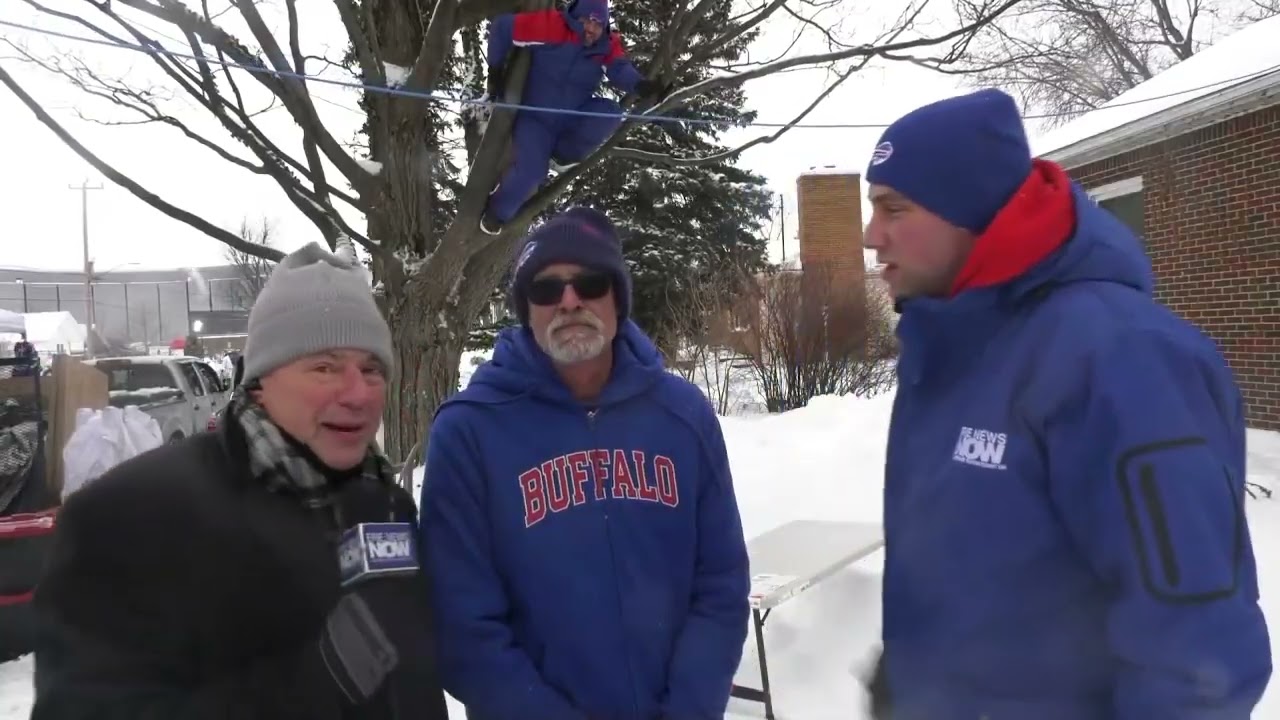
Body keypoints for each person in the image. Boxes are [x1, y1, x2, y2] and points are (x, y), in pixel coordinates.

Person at [861, 87, 1272, 719]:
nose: (870, 235)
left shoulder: (1121, 357)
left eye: (894, 208)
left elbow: (1195, 646)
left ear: (971, 211)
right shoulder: (949, 348)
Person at [29, 243, 449, 720]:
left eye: (371, 369)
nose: (358, 392)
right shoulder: (128, 519)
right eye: (325, 367)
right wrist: (327, 674)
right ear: (260, 382)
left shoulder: (386, 505)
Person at [422, 206, 750, 718]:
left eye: (590, 283)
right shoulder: (468, 432)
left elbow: (721, 585)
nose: (569, 301)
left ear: (617, 297)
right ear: (526, 309)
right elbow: (464, 628)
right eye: (546, 290)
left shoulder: (683, 417)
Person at [480, 0, 671, 235]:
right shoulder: (552, 25)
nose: (591, 28)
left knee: (610, 113)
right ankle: (496, 213)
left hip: (573, 116)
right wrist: (494, 71)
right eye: (586, 21)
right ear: (575, 17)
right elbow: (502, 28)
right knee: (532, 175)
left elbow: (619, 69)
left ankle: (563, 155)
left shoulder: (606, 45)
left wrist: (643, 86)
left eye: (598, 23)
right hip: (535, 119)